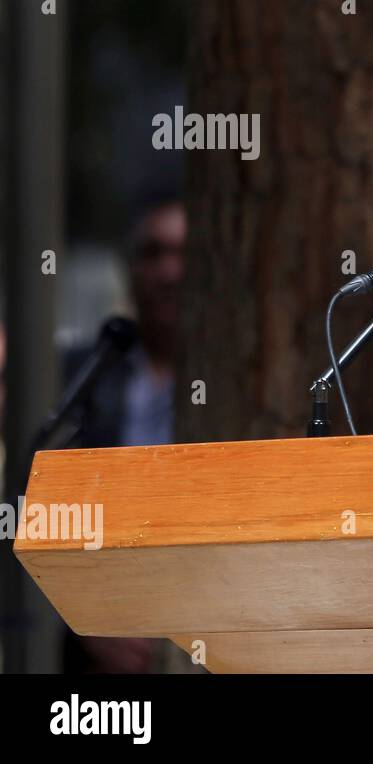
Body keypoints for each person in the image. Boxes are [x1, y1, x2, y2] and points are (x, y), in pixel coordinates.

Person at [60, 197, 189, 674]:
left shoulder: (245, 382)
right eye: (153, 253)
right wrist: (86, 620)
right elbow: (31, 511)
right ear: (131, 268)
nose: (169, 272)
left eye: (183, 254)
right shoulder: (82, 375)